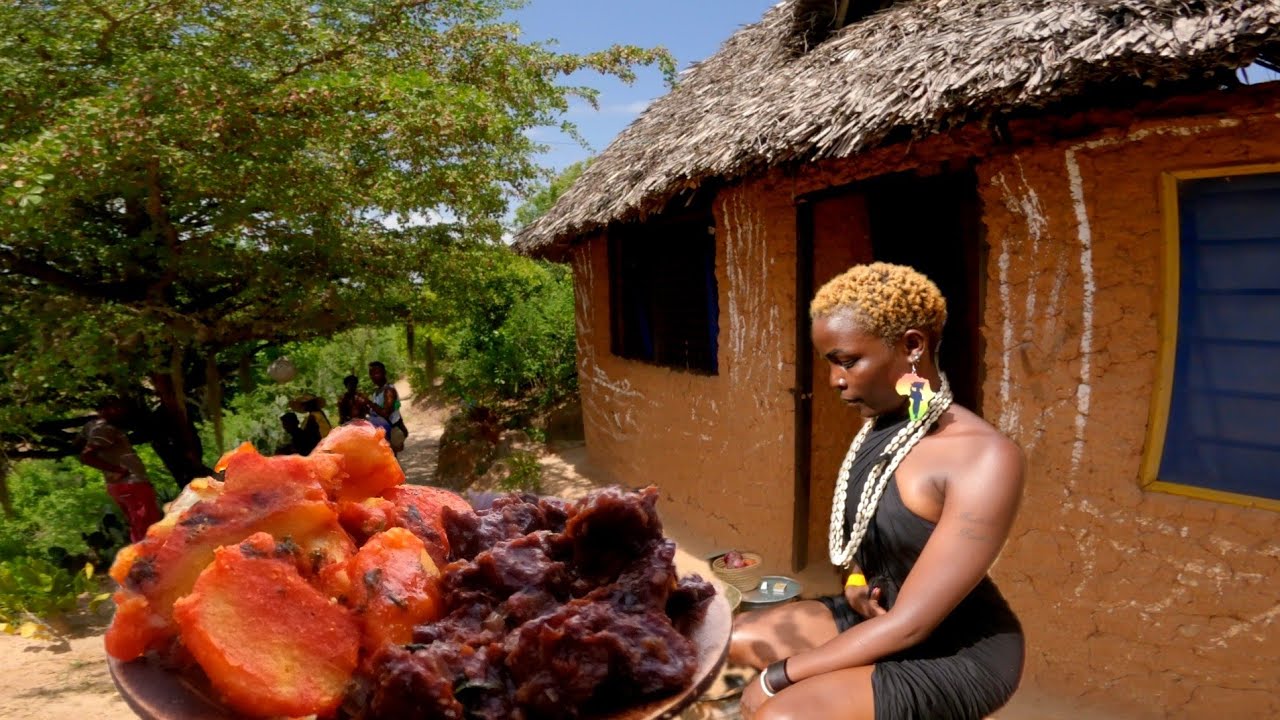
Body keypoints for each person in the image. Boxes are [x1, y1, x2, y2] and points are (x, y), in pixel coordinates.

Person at [732, 262, 1025, 720]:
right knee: (730, 642)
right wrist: (853, 582)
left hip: (956, 649)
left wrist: (778, 676)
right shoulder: (883, 428)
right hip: (876, 617)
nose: (835, 381)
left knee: (781, 713)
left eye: (848, 361)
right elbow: (859, 540)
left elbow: (913, 624)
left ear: (911, 345)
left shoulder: (983, 457)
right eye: (831, 364)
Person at [76, 397, 164, 543]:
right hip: (131, 483)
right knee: (146, 526)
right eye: (114, 407)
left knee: (138, 525)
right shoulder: (104, 429)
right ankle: (150, 559)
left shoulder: (92, 426)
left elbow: (77, 443)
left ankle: (145, 558)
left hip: (121, 485)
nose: (120, 411)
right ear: (102, 410)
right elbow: (86, 456)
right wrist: (117, 469)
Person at [364, 361, 407, 452]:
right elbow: (376, 412)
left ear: (384, 373)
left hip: (393, 430)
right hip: (383, 432)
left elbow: (385, 413)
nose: (373, 376)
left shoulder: (389, 391)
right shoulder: (377, 392)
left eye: (377, 373)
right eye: (371, 374)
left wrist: (369, 402)